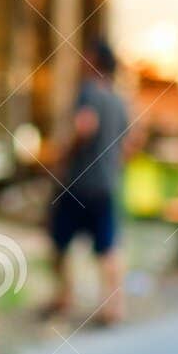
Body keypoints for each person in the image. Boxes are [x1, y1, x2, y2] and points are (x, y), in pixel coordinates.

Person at [45, 38, 130, 327]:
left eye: (85, 56)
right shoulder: (119, 100)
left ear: (94, 61)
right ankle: (114, 307)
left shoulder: (88, 93)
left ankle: (64, 297)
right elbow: (130, 142)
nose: (81, 62)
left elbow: (85, 126)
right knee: (108, 247)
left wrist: (63, 155)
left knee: (58, 242)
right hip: (107, 184)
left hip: (78, 184)